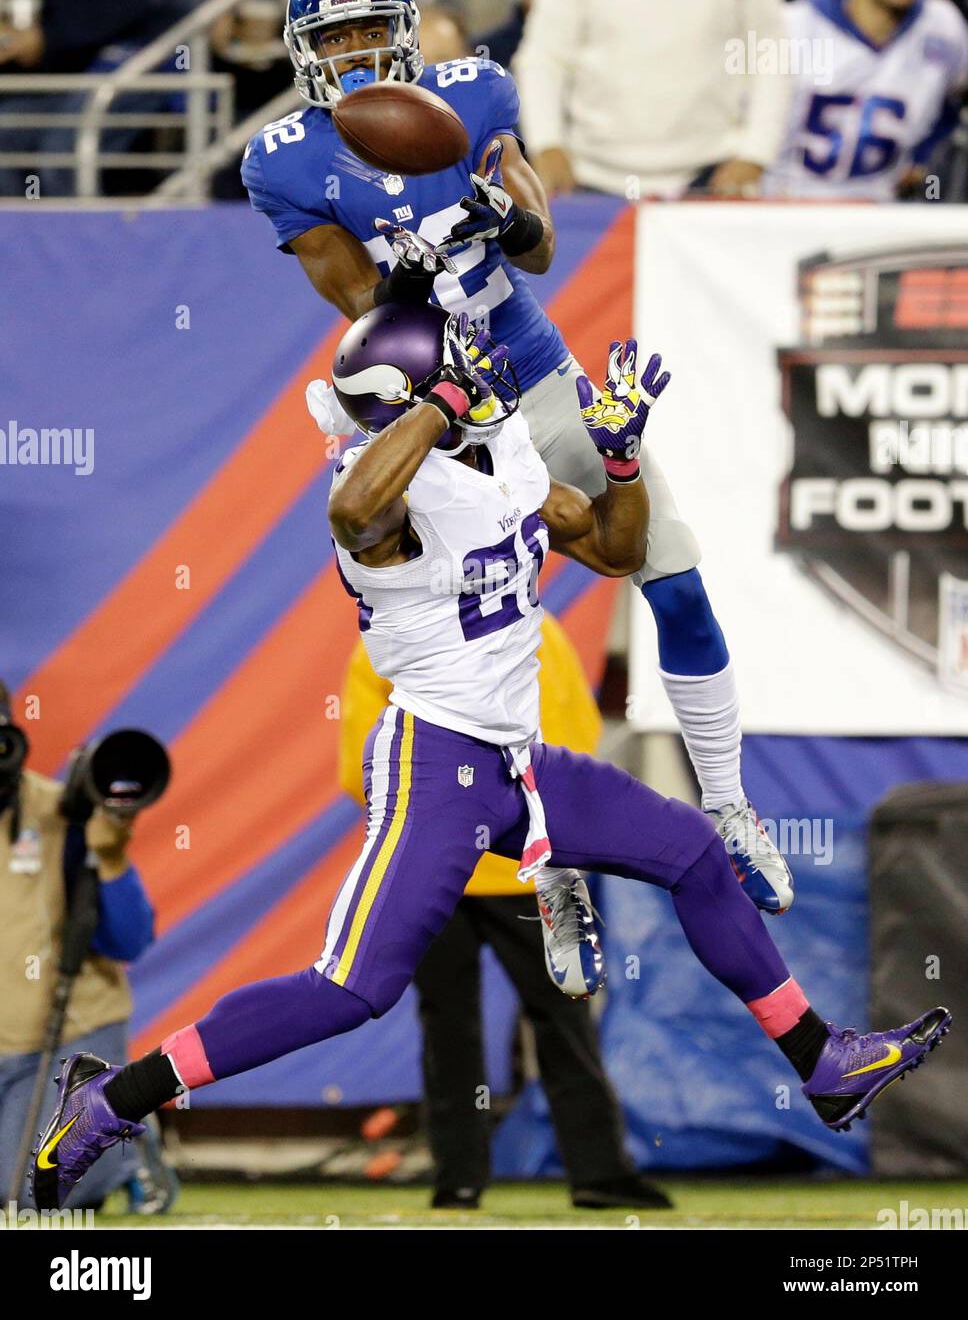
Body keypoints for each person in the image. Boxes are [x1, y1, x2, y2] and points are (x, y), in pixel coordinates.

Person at [30, 309, 950, 1210]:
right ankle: (111, 1099)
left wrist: (620, 460)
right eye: (461, 362)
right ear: (413, 394)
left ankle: (819, 1061)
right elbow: (355, 514)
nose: (487, 372)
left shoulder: (503, 451)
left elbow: (619, 545)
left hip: (522, 764)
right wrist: (436, 402)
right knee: (351, 991)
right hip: (435, 759)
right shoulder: (377, 483)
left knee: (696, 856)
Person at [241, 0, 796, 967]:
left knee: (662, 573)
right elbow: (359, 305)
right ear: (305, 57)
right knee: (476, 653)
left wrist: (503, 217)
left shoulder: (468, 93)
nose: (354, 51)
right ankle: (549, 872)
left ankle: (725, 804)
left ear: (406, 32)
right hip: (421, 409)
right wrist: (418, 263)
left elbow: (535, 245)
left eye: (367, 30)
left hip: (529, 378)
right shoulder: (283, 160)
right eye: (332, 39)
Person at [340, 624, 669, 1211]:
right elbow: (575, 748)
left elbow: (361, 766)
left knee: (449, 1027)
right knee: (564, 1020)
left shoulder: (388, 641)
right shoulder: (539, 633)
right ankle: (600, 1174)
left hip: (435, 867)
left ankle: (459, 1180)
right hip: (533, 862)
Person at [0, 682, 174, 1212]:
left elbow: (128, 941)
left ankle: (124, 1150)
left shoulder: (65, 812)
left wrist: (111, 855)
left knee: (32, 1197)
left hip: (56, 1043)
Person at [512, 0, 790, 199]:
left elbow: (769, 54)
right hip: (590, 179)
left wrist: (756, 153)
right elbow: (543, 57)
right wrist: (546, 144)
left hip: (710, 177)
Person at [761, 0, 968, 200]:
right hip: (784, 203)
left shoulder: (942, 27)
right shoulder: (791, 27)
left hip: (880, 217)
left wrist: (924, 154)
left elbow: (955, 99)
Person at [0, 0, 196, 197]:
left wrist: (48, 35)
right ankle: (17, 237)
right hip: (77, 60)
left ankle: (75, 237)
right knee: (6, 133)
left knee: (65, 153)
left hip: (151, 48)